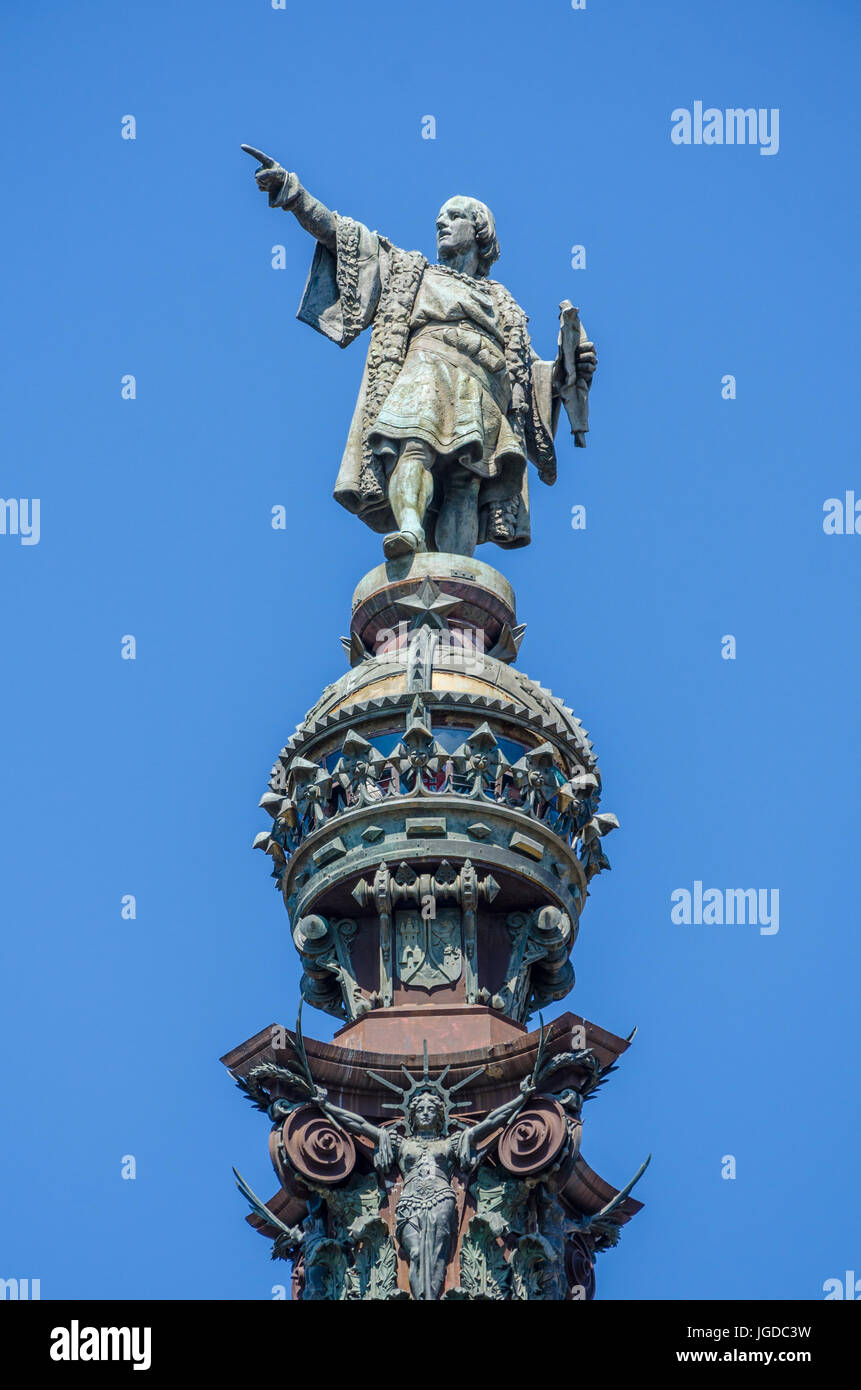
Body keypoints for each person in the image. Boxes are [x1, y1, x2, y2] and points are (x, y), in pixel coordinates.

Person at [243, 147, 597, 559]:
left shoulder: (506, 306)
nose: (440, 223)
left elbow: (529, 374)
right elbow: (346, 238)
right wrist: (294, 194)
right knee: (413, 447)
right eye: (439, 220)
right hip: (428, 368)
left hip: (486, 388)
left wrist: (566, 370)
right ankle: (410, 529)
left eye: (453, 217)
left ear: (480, 230)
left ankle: (455, 565)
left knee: (467, 480)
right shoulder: (412, 272)